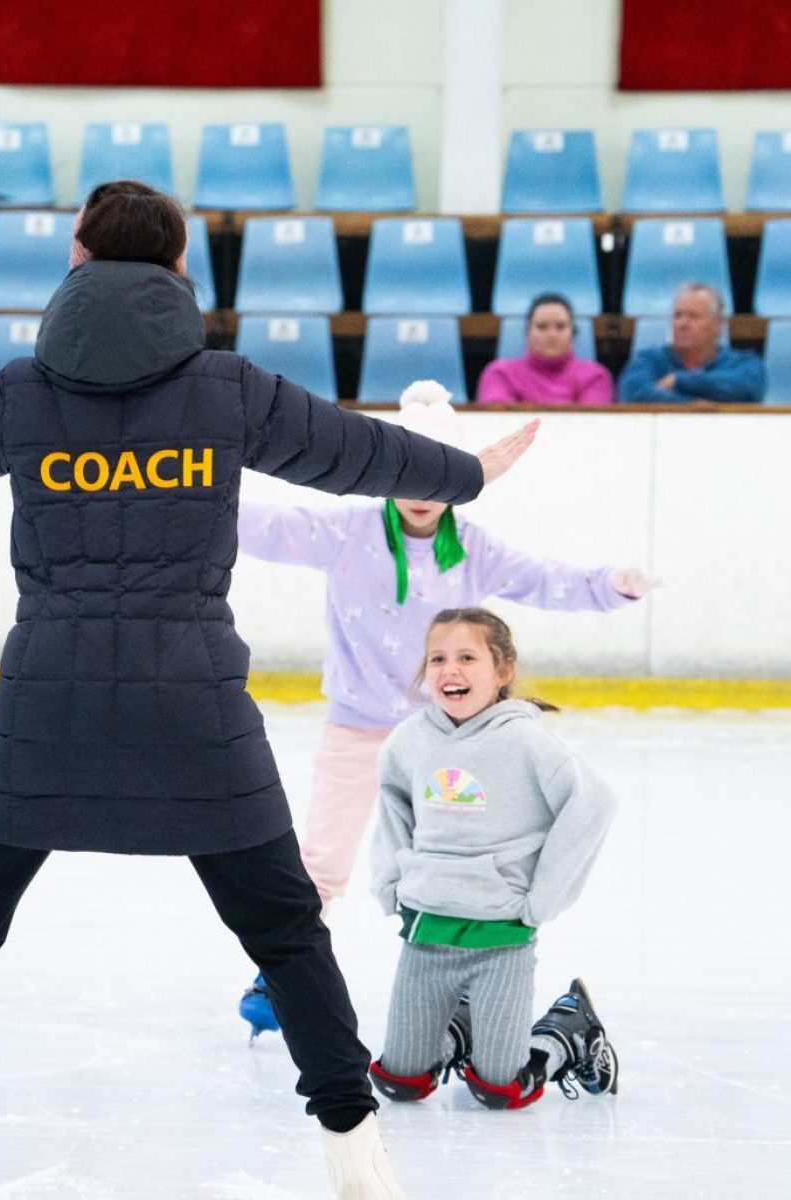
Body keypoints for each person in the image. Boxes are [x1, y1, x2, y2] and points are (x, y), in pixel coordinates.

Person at [0, 179, 538, 1200]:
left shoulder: (19, 393)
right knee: (285, 935)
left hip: (48, 705)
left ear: (77, 258)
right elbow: (356, 451)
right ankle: (358, 1157)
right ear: (181, 266)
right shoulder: (231, 390)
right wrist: (466, 473)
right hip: (195, 706)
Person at [233, 380, 652, 1039]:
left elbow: (545, 580)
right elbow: (266, 527)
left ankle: (463, 976)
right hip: (357, 729)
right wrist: (188, 492)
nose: (422, 489)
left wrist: (611, 586)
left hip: (446, 740)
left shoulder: (475, 548)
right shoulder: (348, 532)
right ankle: (279, 975)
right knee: (322, 861)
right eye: (407, 470)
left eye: (437, 472)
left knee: (456, 859)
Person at [368, 607, 619, 1110]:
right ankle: (465, 1025)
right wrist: (391, 883)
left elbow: (593, 802)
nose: (450, 670)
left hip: (502, 936)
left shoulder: (526, 740)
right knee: (400, 1081)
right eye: (437, 658)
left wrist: (543, 897)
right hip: (427, 931)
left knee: (499, 1088)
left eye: (467, 657)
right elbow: (393, 809)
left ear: (503, 670)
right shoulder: (410, 740)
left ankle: (568, 1032)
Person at [618, 282, 766, 404]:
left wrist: (678, 381)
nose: (682, 324)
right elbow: (633, 393)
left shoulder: (743, 363)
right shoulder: (648, 359)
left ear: (718, 324)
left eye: (693, 316)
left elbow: (749, 390)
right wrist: (691, 405)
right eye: (677, 316)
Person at [476, 293, 613, 406]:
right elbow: (499, 421)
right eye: (542, 327)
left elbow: (591, 423)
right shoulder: (500, 373)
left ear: (573, 334)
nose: (552, 335)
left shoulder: (595, 376)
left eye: (560, 326)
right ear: (527, 333)